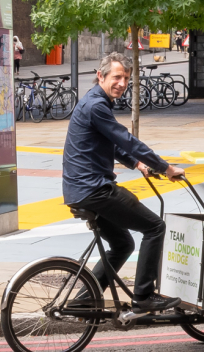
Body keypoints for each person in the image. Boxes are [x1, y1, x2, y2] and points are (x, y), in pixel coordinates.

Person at [62, 52, 186, 317]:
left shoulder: (94, 102)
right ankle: (143, 296)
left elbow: (112, 144)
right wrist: (166, 168)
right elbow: (127, 140)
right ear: (101, 76)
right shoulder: (97, 106)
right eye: (117, 76)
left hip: (81, 190)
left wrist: (137, 164)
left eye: (126, 78)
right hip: (95, 190)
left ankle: (85, 298)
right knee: (155, 227)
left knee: (123, 245)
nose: (121, 83)